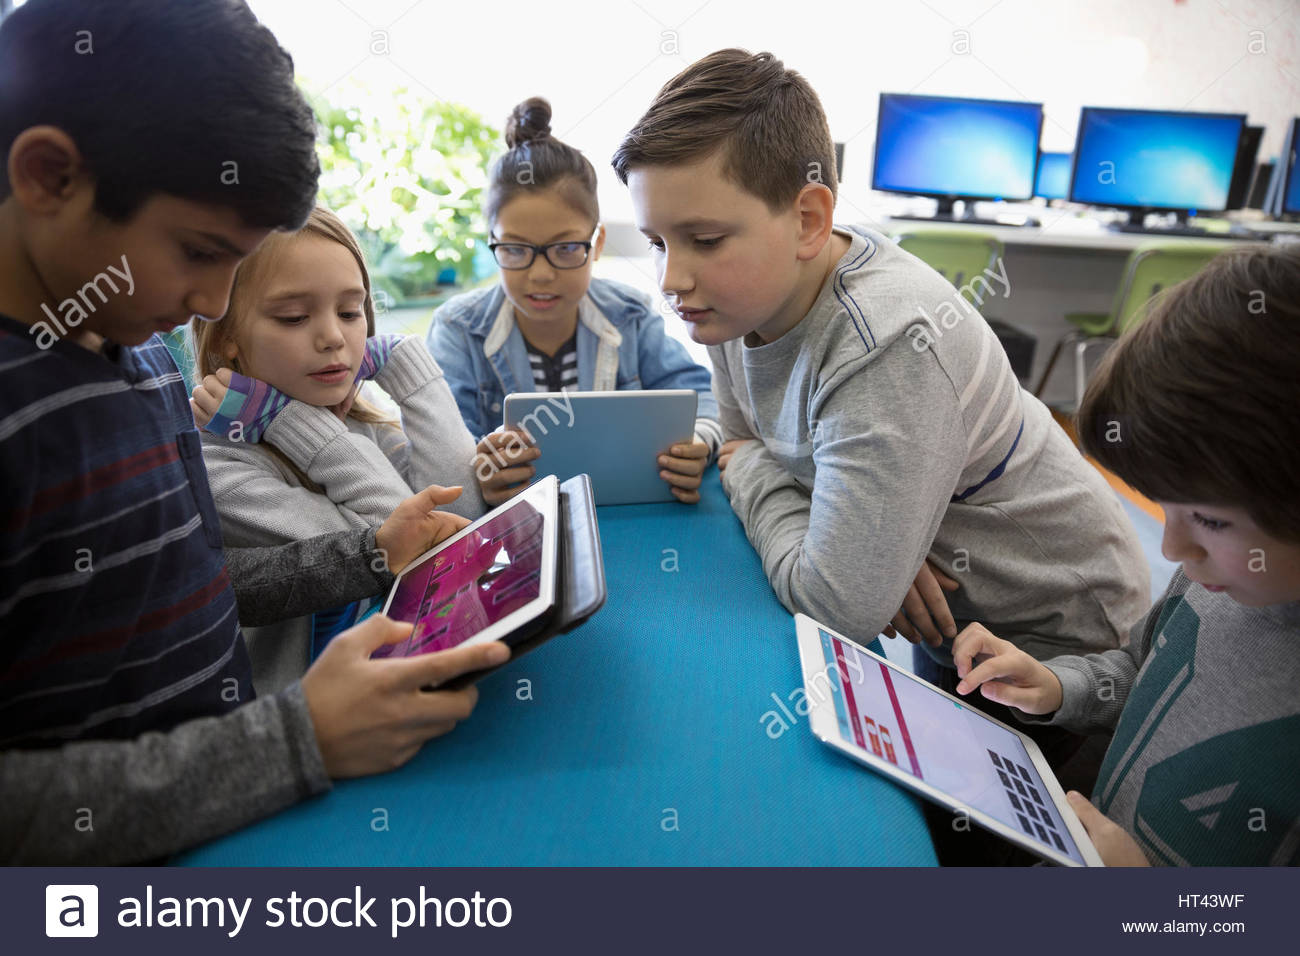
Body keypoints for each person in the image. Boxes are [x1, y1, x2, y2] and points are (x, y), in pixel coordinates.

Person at [0, 0, 504, 864]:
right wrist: (292, 739)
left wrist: (370, 556)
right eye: (198, 251)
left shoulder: (141, 353)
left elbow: (197, 586)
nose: (212, 305)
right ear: (48, 175)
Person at [611, 49, 1150, 767]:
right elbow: (745, 432)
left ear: (808, 219)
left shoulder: (888, 346)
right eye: (656, 242)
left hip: (1054, 639)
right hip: (952, 618)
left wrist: (766, 483)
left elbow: (833, 602)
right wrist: (867, 540)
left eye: (704, 240)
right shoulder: (733, 300)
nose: (671, 279)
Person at [952, 244, 1300, 866]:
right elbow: (1140, 667)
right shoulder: (1213, 580)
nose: (1171, 549)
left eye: (1211, 520)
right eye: (1166, 509)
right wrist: (1062, 685)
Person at [190, 205, 485, 692]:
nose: (333, 337)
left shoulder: (357, 422)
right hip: (312, 721)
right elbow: (414, 551)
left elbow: (460, 515)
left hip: (394, 675)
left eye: (351, 313)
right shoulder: (219, 463)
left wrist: (405, 363)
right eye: (293, 317)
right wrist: (286, 419)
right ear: (226, 336)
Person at [428, 97, 722, 505]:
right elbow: (440, 447)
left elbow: (700, 394)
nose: (542, 274)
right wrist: (478, 470)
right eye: (515, 249)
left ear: (596, 243)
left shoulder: (631, 316)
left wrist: (699, 441)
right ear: (491, 243)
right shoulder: (457, 330)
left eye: (566, 248)